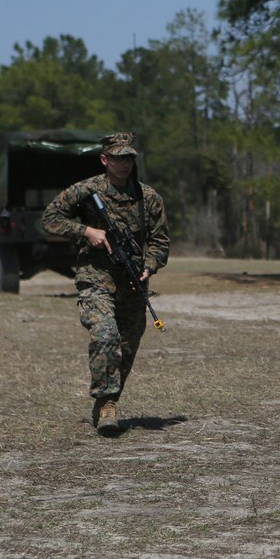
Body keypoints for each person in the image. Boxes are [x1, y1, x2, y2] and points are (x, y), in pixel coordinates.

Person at [42, 132, 170, 436]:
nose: (124, 164)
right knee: (105, 334)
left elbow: (160, 240)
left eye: (129, 158)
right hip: (95, 278)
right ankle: (107, 402)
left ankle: (106, 402)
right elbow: (49, 218)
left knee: (126, 345)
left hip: (132, 281)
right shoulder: (86, 190)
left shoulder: (148, 197)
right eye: (117, 158)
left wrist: (150, 265)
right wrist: (86, 231)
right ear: (104, 159)